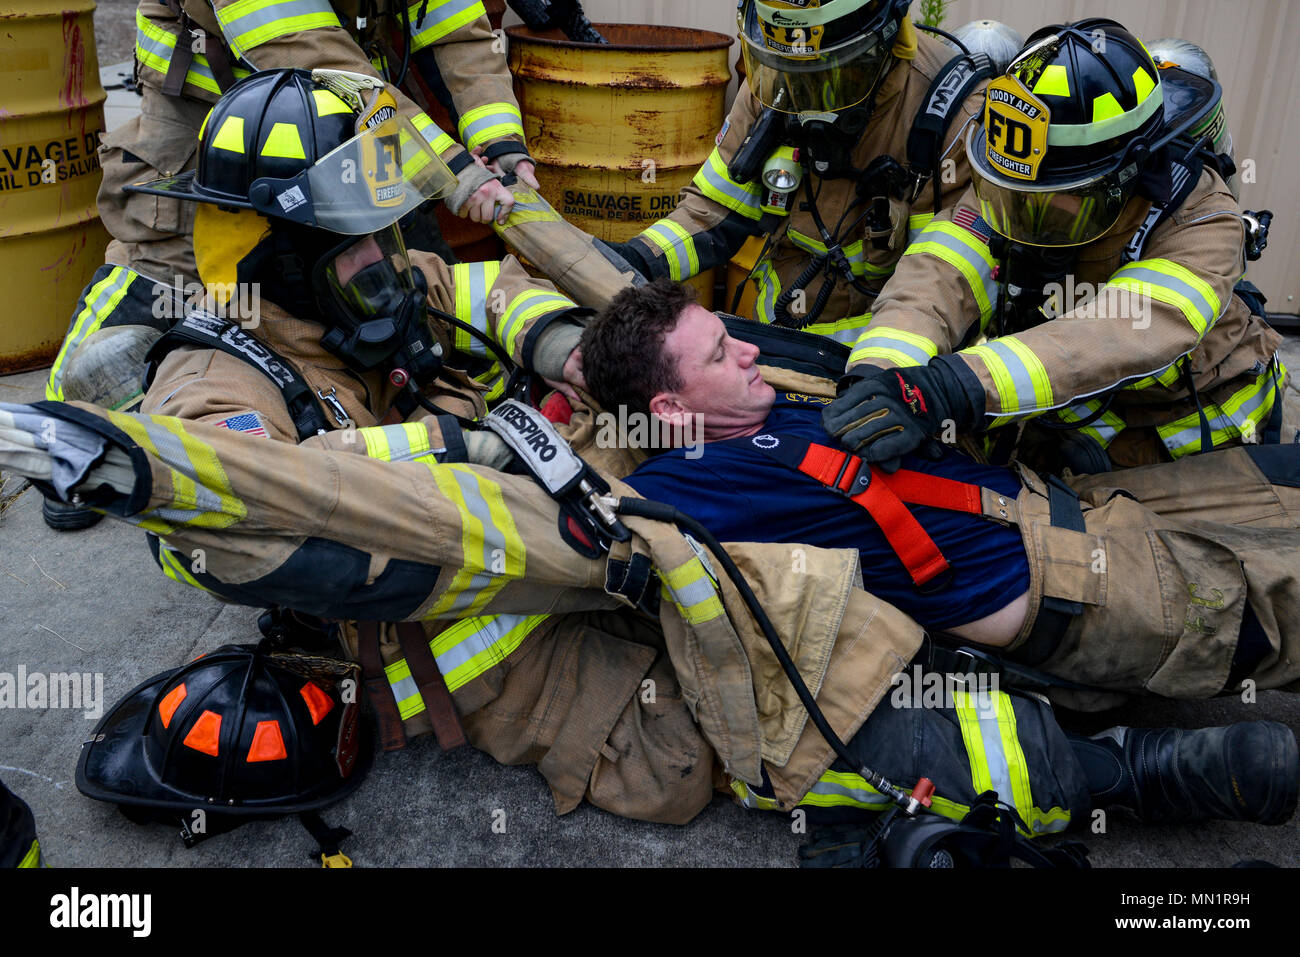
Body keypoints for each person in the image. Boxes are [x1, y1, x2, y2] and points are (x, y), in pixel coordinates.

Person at [43, 0, 537, 470]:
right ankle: (61, 435)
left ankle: (328, 408)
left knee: (364, 266)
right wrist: (452, 171)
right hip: (205, 109)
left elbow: (461, 32)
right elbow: (307, 45)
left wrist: (501, 142)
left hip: (319, 117)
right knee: (162, 272)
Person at [822, 18, 1289, 478]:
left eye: (1055, 195)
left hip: (1200, 440)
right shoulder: (1021, 183)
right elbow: (937, 279)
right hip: (1073, 419)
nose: (1028, 211)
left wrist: (953, 387)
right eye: (1013, 194)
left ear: (1125, 176)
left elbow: (1114, 333)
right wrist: (878, 375)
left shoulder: (1200, 222)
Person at [603, 0, 991, 345]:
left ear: (888, 40)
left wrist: (880, 370)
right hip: (771, 340)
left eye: (832, 74)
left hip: (882, 366)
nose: (804, 95)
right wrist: (637, 260)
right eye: (788, 70)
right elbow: (715, 208)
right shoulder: (780, 78)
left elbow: (936, 285)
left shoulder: (953, 115)